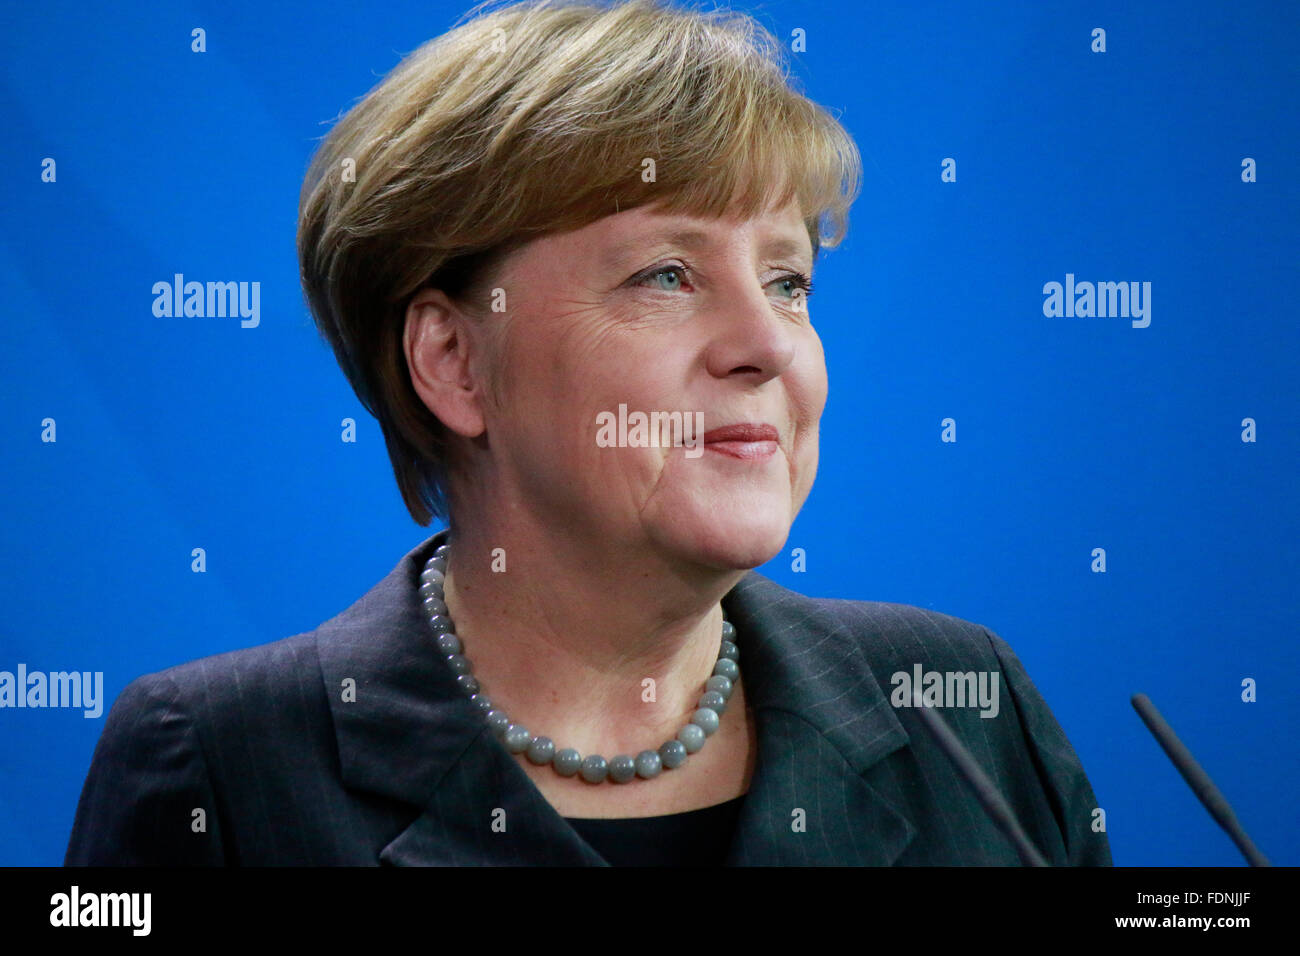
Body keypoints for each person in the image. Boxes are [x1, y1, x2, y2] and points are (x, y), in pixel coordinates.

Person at [65, 0, 1111, 866]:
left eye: (788, 281)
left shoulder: (958, 704)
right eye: (666, 274)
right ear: (455, 364)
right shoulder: (223, 767)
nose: (769, 345)